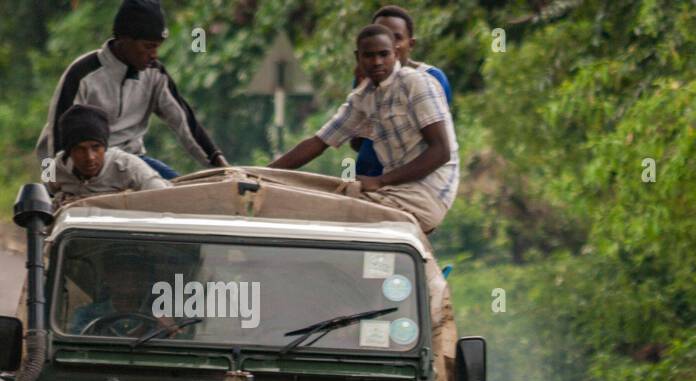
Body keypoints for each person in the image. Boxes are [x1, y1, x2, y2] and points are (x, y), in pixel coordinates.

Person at [268, 24, 457, 234]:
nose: (377, 62)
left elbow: (441, 151)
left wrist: (380, 181)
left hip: (426, 194)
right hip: (392, 191)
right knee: (314, 193)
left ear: (395, 54)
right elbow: (318, 143)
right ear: (358, 57)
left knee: (323, 211)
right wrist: (259, 175)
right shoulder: (363, 97)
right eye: (369, 56)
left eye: (383, 54)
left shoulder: (416, 83)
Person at [36, 0, 229, 180]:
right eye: (148, 47)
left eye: (157, 47)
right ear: (124, 40)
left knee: (180, 195)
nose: (154, 54)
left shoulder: (155, 74)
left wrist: (219, 164)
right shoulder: (82, 74)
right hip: (83, 167)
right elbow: (56, 137)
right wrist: (58, 183)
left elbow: (185, 123)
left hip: (133, 161)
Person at [353, 5, 453, 180]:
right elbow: (356, 143)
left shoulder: (430, 79)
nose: (389, 43)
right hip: (365, 178)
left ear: (411, 43)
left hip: (407, 184)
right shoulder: (367, 79)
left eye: (396, 37)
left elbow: (436, 147)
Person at [49, 105, 169, 209]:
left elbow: (164, 197)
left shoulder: (128, 166)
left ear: (105, 147)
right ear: (69, 152)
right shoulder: (51, 167)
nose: (90, 157)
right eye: (80, 149)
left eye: (96, 147)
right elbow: (46, 196)